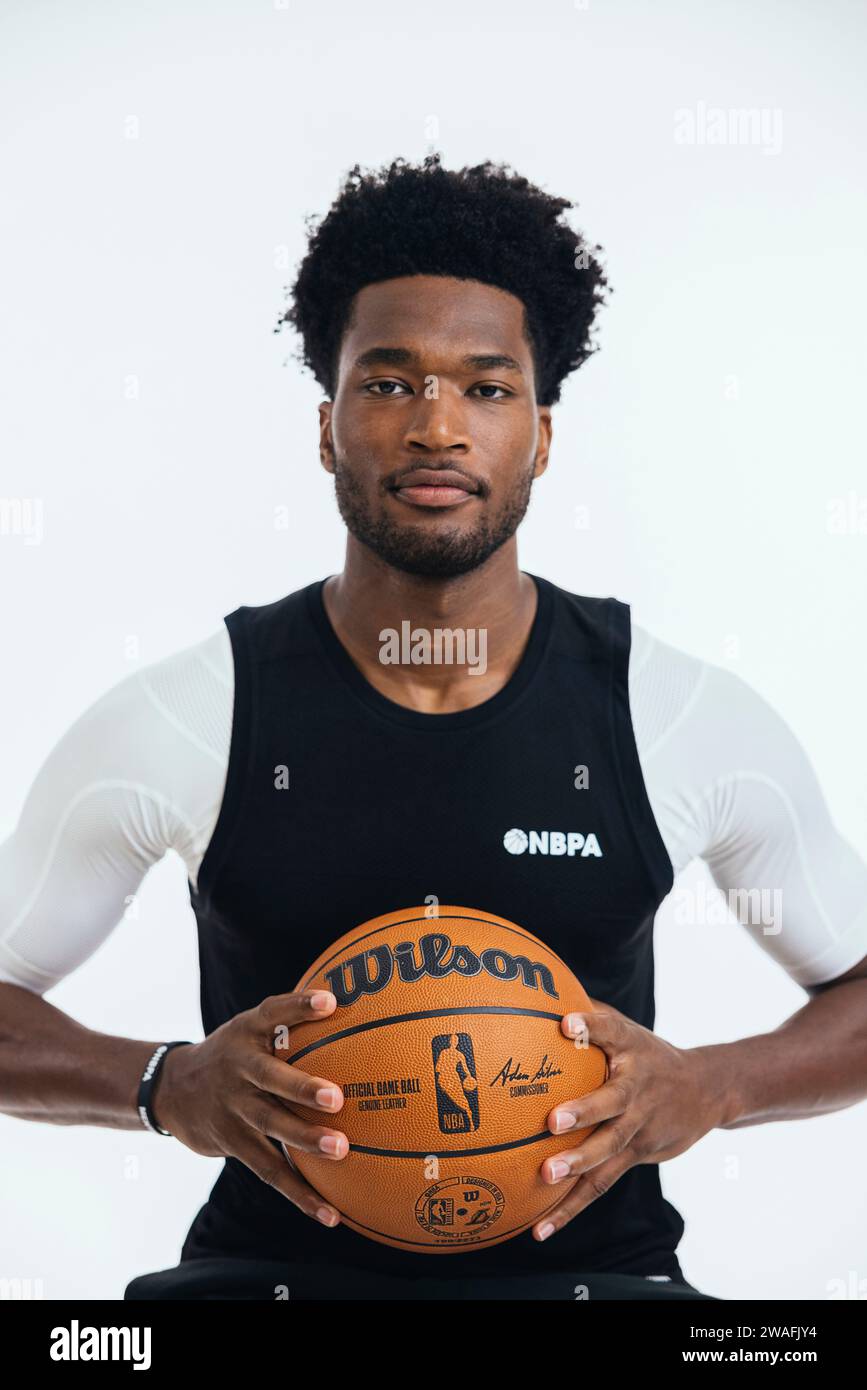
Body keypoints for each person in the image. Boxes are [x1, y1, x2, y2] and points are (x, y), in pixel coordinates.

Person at [2, 156, 866, 1302]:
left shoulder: (676, 713)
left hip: (596, 1287)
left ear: (543, 436)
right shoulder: (191, 709)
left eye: (488, 387)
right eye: (390, 382)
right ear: (327, 426)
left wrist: (715, 1084)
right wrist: (166, 1082)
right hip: (271, 1279)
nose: (438, 427)